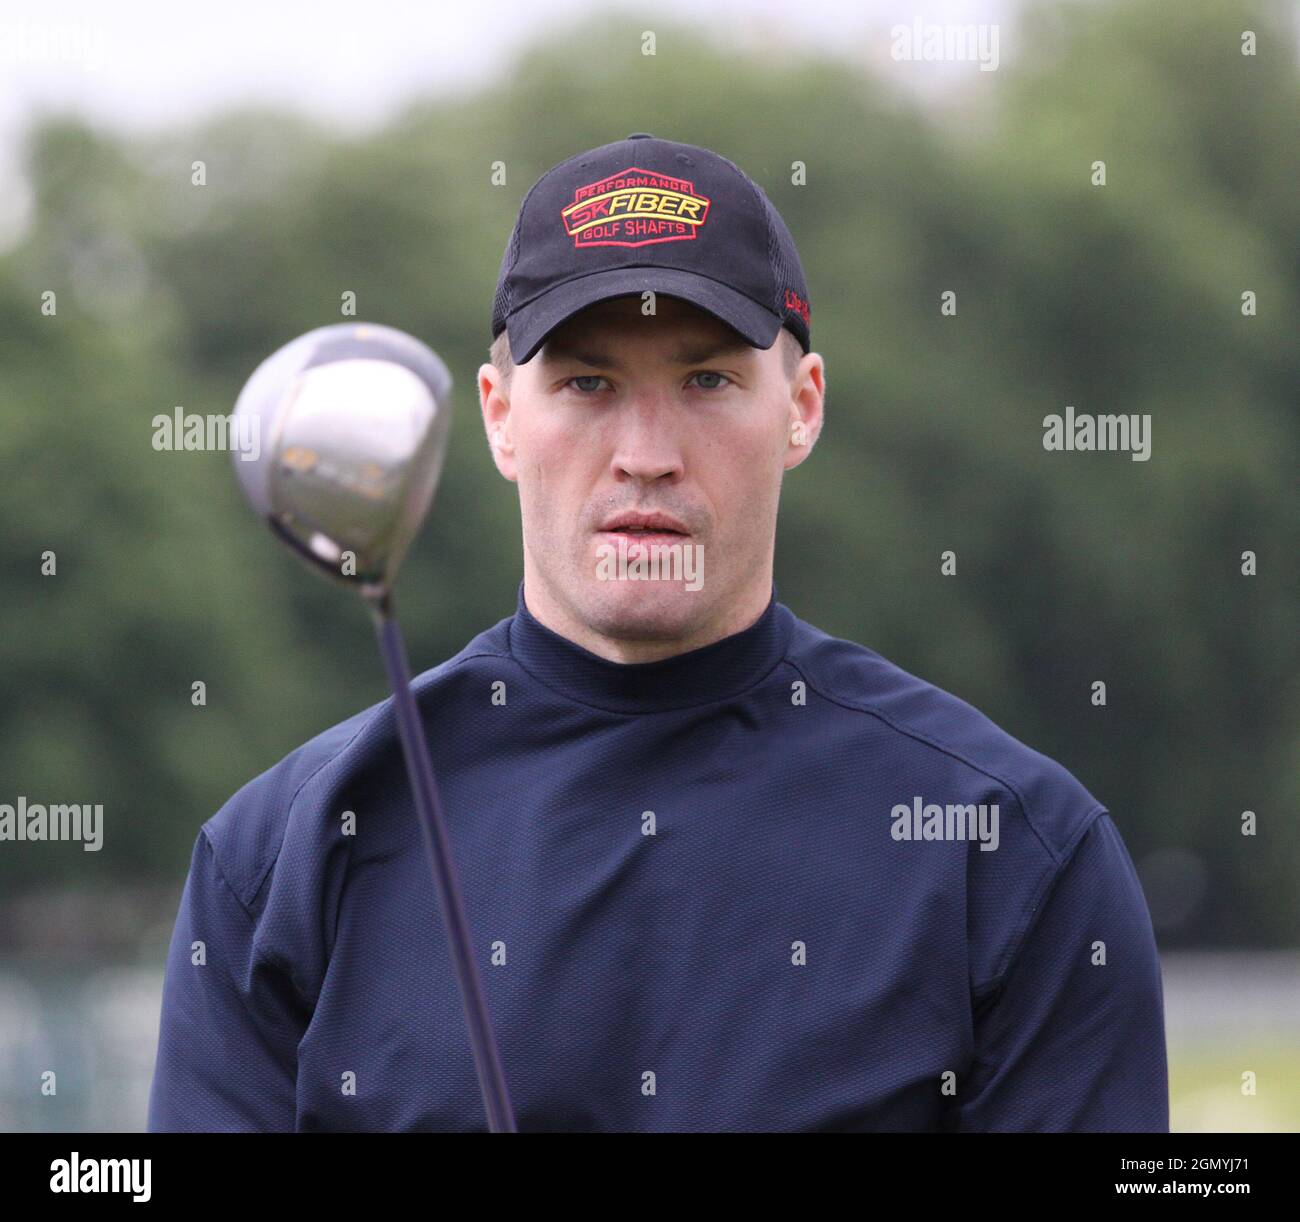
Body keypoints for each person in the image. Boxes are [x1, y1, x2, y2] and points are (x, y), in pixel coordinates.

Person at [148, 134, 1169, 1132]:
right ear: (501, 417)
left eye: (707, 381)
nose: (645, 454)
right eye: (586, 383)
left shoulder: (1013, 851)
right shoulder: (284, 853)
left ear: (801, 409)